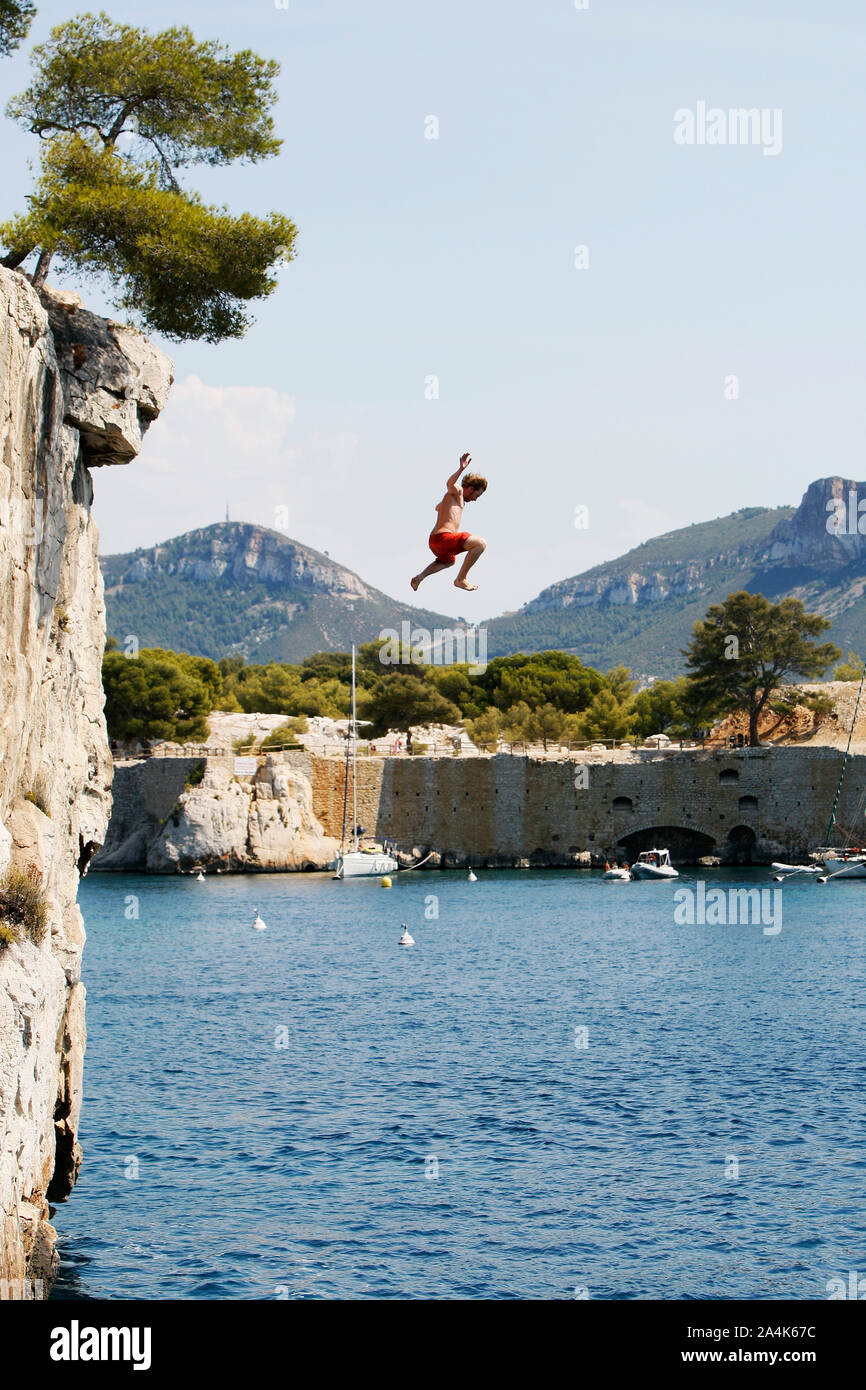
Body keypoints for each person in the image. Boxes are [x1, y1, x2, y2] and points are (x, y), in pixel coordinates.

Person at [411, 452, 488, 592]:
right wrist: (461, 469)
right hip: (443, 538)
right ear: (470, 489)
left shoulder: (451, 499)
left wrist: (442, 507)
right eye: (477, 495)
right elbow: (450, 484)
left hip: (434, 542)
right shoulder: (458, 491)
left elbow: (438, 507)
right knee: (480, 544)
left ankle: (419, 577)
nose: (476, 499)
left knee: (449, 561)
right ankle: (461, 579)